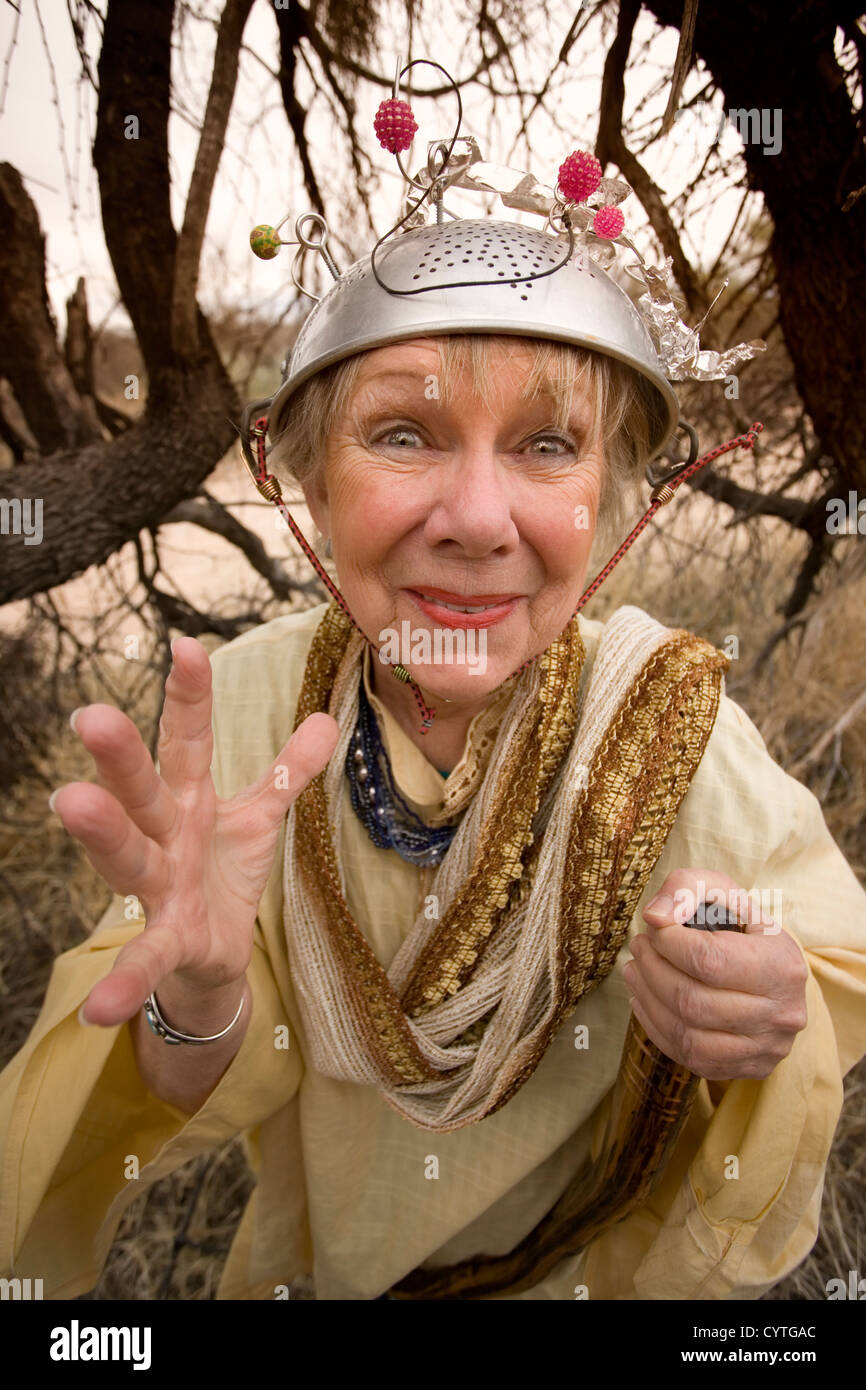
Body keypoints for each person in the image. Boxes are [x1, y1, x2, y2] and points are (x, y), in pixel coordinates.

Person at [2, 98, 866, 1301]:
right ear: (305, 474)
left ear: (612, 497)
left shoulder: (670, 729)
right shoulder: (251, 705)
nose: (472, 518)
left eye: (546, 448)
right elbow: (167, 1084)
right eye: (402, 433)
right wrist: (200, 1001)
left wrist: (768, 1004)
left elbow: (832, 956)